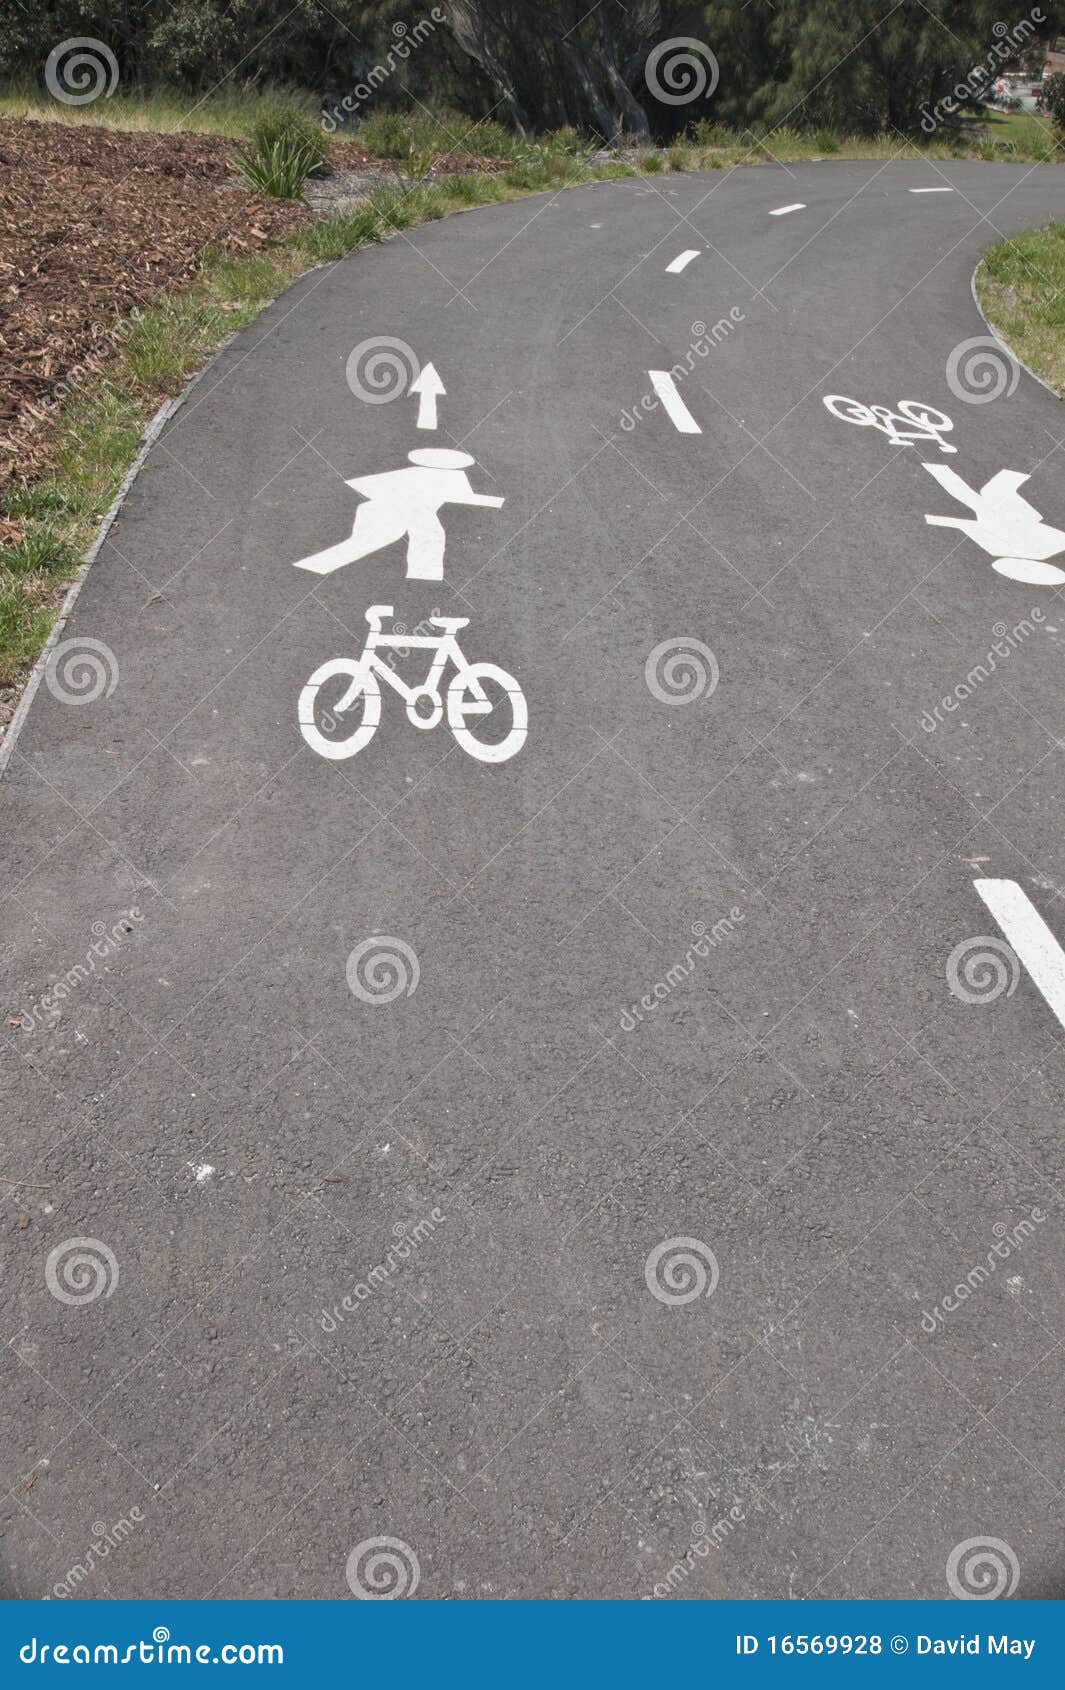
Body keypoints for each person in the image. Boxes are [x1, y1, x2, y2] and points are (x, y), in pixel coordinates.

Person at [292, 449, 504, 582]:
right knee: (371, 542)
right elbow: (465, 498)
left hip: (400, 511)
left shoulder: (427, 474)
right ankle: (312, 567)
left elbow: (365, 484)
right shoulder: (449, 477)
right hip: (388, 512)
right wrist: (497, 502)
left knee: (429, 536)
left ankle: (424, 579)